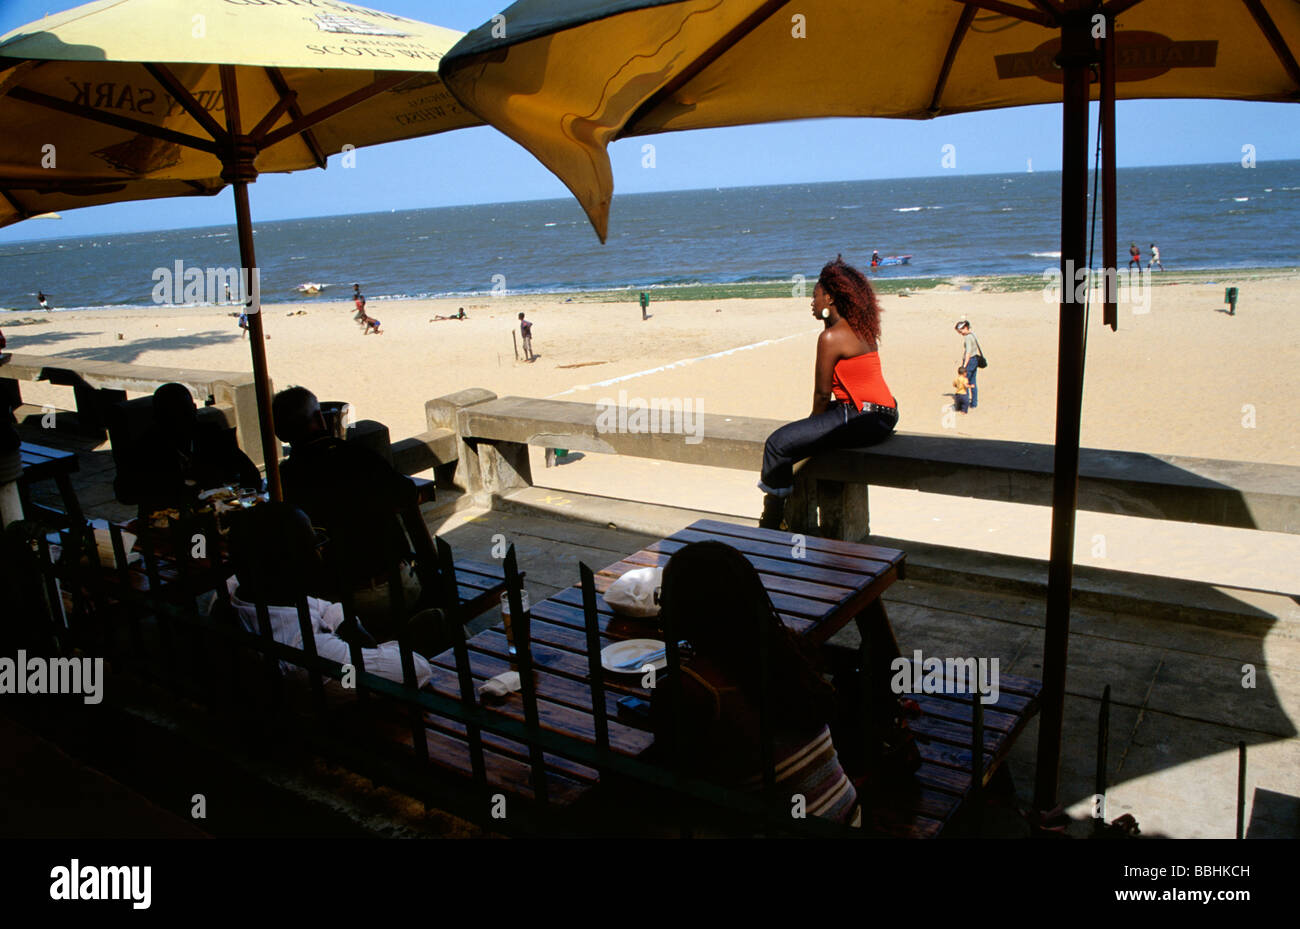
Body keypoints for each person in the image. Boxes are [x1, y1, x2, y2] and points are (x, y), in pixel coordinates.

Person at [651, 541, 861, 828]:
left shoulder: (692, 689)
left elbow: (678, 781)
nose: (661, 606)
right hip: (849, 816)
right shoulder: (784, 646)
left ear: (687, 609)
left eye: (665, 597)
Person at [225, 503, 437, 683]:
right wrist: (368, 647)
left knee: (434, 619)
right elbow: (417, 670)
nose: (321, 552)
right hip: (353, 696)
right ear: (290, 565)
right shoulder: (310, 651)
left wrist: (346, 623)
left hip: (341, 671)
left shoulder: (246, 591)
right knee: (436, 625)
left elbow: (324, 606)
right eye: (314, 546)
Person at [757, 256, 897, 530]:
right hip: (886, 414)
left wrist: (811, 429)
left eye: (815, 296)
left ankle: (772, 521)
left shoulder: (831, 338)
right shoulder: (861, 328)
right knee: (806, 432)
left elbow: (822, 395)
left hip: (861, 416)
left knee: (778, 443)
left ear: (830, 298)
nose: (812, 302)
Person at [272, 385, 422, 640]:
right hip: (390, 588)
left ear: (281, 433)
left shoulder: (285, 478)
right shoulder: (358, 455)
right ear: (320, 419)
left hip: (336, 601)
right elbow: (409, 494)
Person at [115, 382, 261, 508]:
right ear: (157, 418)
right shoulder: (146, 448)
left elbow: (250, 473)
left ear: (194, 409)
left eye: (184, 414)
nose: (179, 422)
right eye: (171, 417)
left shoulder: (210, 434)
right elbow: (125, 494)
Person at [956, 319, 984, 411]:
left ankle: (965, 403)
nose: (960, 333)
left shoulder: (968, 337)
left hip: (970, 361)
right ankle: (974, 403)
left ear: (966, 328)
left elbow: (968, 352)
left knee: (965, 383)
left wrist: (964, 365)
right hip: (975, 360)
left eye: (961, 331)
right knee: (973, 382)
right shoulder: (973, 335)